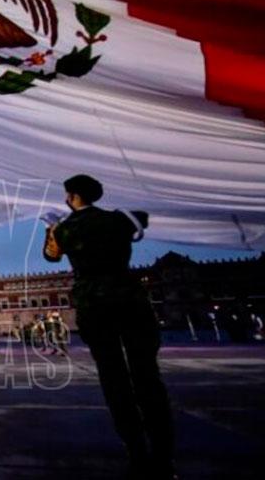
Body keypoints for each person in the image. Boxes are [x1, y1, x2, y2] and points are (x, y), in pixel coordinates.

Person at [43, 175, 176, 479]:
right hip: (130, 300)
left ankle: (136, 451)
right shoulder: (122, 219)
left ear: (72, 196)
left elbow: (50, 256)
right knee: (147, 376)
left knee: (113, 377)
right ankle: (164, 455)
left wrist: (52, 228)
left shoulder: (64, 228)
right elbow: (142, 218)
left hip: (94, 305)